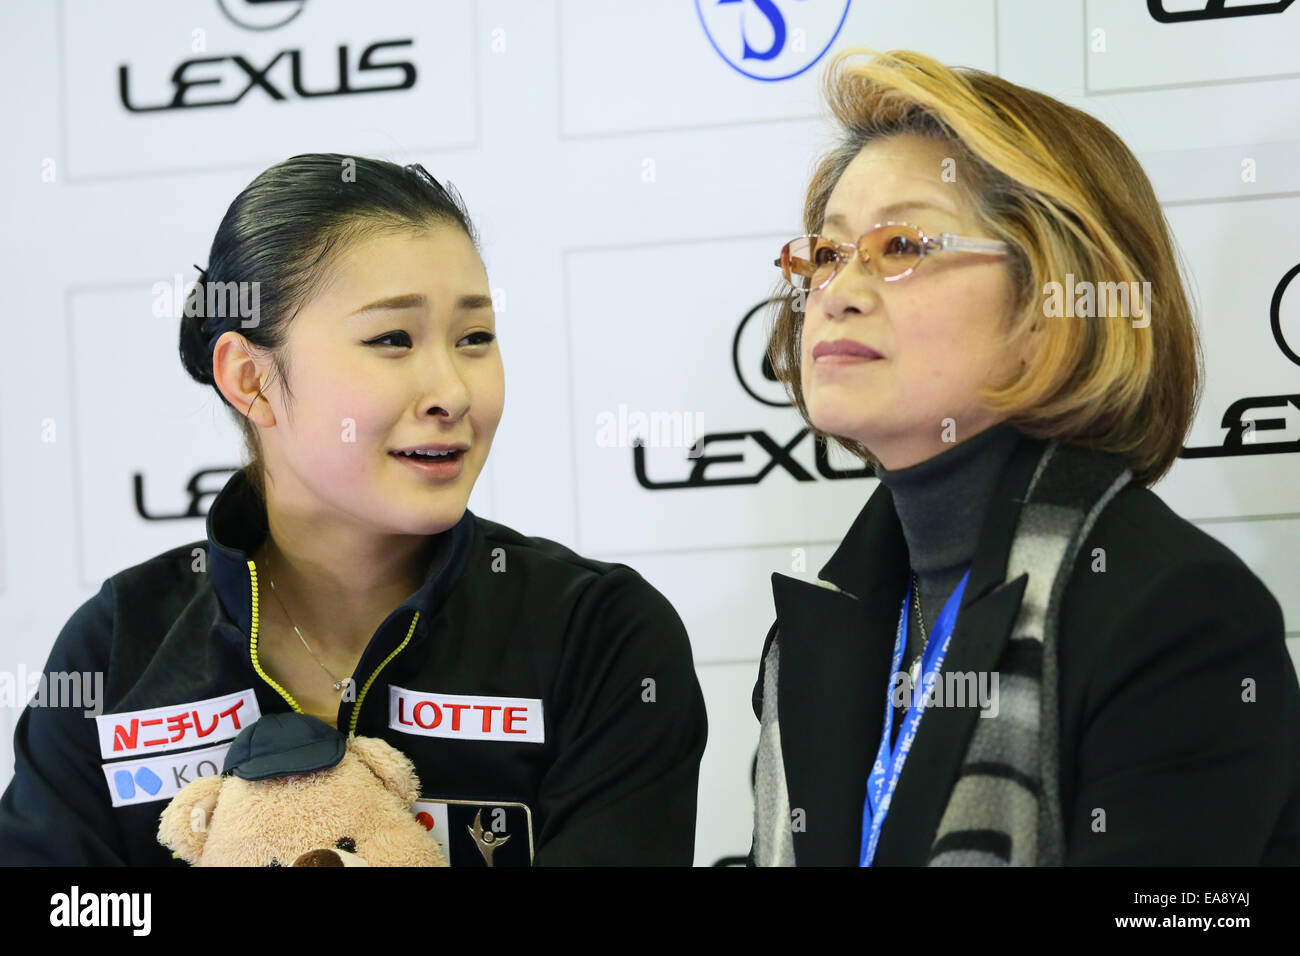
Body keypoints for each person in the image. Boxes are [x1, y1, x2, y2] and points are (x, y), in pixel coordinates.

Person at [0, 154, 707, 866]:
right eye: (392, 339)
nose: (452, 392)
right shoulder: (118, 647)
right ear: (250, 378)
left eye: (474, 339)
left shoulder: (598, 633)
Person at [749, 49, 1300, 866]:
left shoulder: (1177, 614)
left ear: (1054, 299)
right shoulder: (812, 630)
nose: (838, 290)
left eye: (900, 245)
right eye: (826, 255)